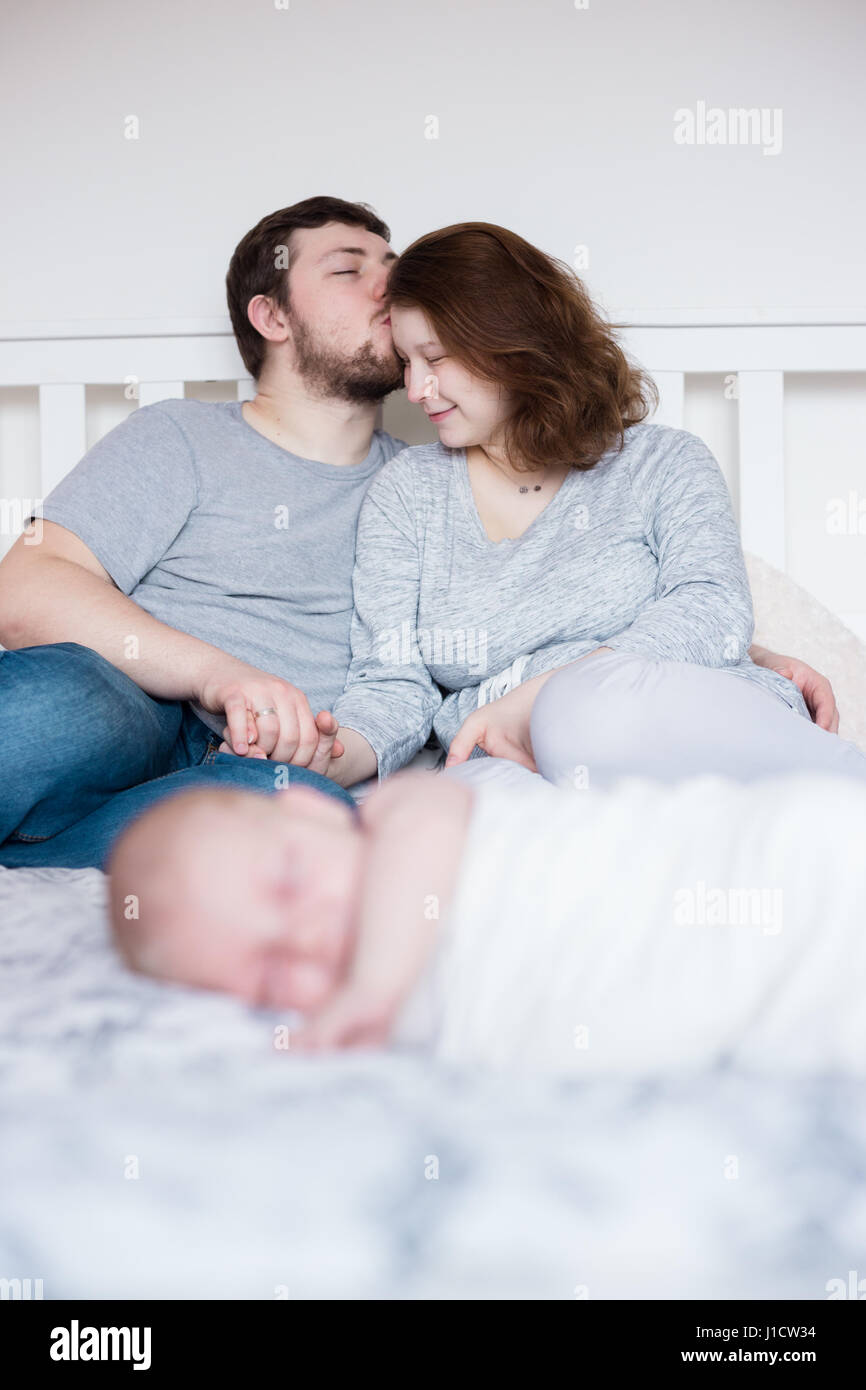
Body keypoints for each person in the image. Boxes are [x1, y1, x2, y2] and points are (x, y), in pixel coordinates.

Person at [0, 201, 840, 867]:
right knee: (67, 705)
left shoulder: (419, 478)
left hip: (267, 767)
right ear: (272, 314)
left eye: (394, 274)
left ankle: (39, 866)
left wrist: (727, 649)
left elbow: (669, 608)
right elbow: (22, 594)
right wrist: (223, 677)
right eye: (349, 269)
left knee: (313, 821)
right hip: (137, 704)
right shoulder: (181, 437)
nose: (383, 288)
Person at [278, 221, 866, 793]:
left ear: (514, 346)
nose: (415, 390)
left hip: (680, 721)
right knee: (451, 817)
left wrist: (546, 692)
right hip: (511, 761)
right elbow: (392, 679)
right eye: (406, 362)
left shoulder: (662, 462)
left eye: (436, 358)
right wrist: (334, 758)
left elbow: (713, 605)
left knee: (582, 712)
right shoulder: (408, 493)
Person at [107, 758, 866, 1073]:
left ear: (311, 810)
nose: (306, 938)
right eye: (272, 972)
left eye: (288, 888)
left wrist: (370, 986)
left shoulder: (401, 814)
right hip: (761, 1007)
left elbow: (430, 830)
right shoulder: (385, 1032)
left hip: (764, 866)